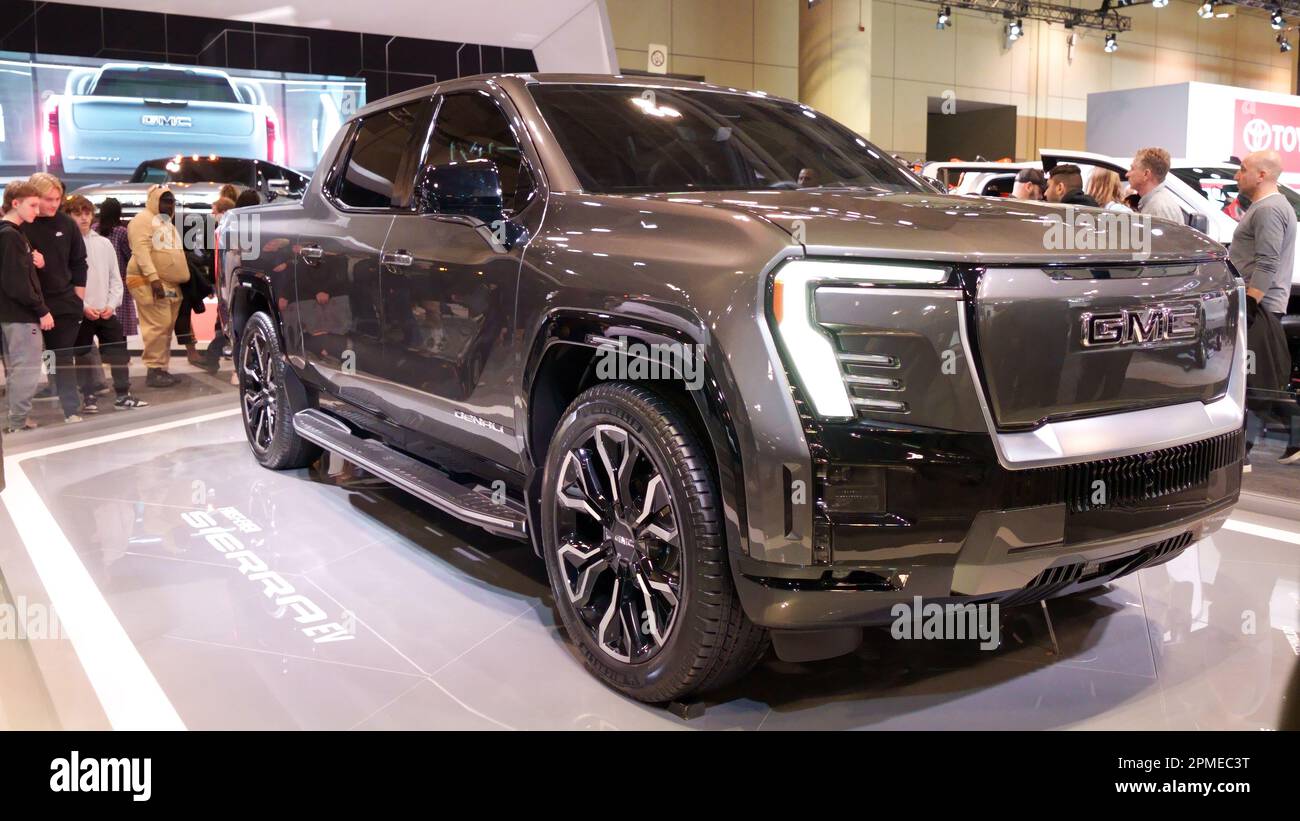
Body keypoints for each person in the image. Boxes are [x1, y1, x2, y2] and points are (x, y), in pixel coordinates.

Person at [1231, 150, 1299, 466]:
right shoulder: (1269, 207)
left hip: (1260, 307)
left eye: (1243, 170)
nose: (1237, 175)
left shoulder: (1270, 209)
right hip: (1261, 305)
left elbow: (1268, 260)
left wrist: (1251, 300)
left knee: (1255, 381)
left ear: (1261, 175)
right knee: (1259, 379)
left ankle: (1242, 453)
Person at [65, 195, 148, 412]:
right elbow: (63, 282)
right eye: (77, 214)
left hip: (106, 311)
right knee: (82, 356)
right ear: (69, 216)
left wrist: (111, 305)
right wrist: (83, 306)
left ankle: (123, 394)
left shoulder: (104, 244)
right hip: (80, 312)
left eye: (86, 213)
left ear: (93, 215)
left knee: (118, 352)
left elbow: (115, 278)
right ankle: (88, 397)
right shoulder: (65, 245)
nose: (83, 218)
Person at [22, 172, 87, 423]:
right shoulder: (21, 226)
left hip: (64, 304)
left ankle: (71, 407)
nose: (53, 204)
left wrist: (78, 299)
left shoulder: (66, 224)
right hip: (29, 305)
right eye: (48, 199)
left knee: (63, 356)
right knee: (35, 358)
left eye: (57, 198)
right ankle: (34, 401)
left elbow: (79, 263)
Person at [0, 181, 52, 433]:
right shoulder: (10, 236)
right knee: (26, 370)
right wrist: (41, 309)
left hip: (12, 315)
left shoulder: (11, 234)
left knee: (18, 369)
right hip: (20, 315)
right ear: (15, 203)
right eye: (32, 205)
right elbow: (16, 282)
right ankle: (17, 421)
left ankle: (16, 419)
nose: (37, 210)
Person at [126, 185, 189, 387]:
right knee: (157, 326)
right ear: (154, 201)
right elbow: (141, 252)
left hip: (167, 283)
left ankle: (160, 368)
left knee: (166, 326)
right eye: (165, 201)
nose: (169, 205)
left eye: (172, 202)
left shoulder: (165, 223)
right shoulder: (142, 220)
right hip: (148, 281)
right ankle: (154, 370)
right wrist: (153, 279)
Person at [94, 197, 136, 336]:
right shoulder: (121, 231)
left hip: (98, 282)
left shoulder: (94, 229)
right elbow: (130, 257)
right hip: (119, 281)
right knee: (120, 325)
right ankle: (120, 355)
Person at [1128, 147, 1184, 223]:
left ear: (1146, 174)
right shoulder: (1155, 203)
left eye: (1132, 169)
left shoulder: (1158, 208)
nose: (1127, 174)